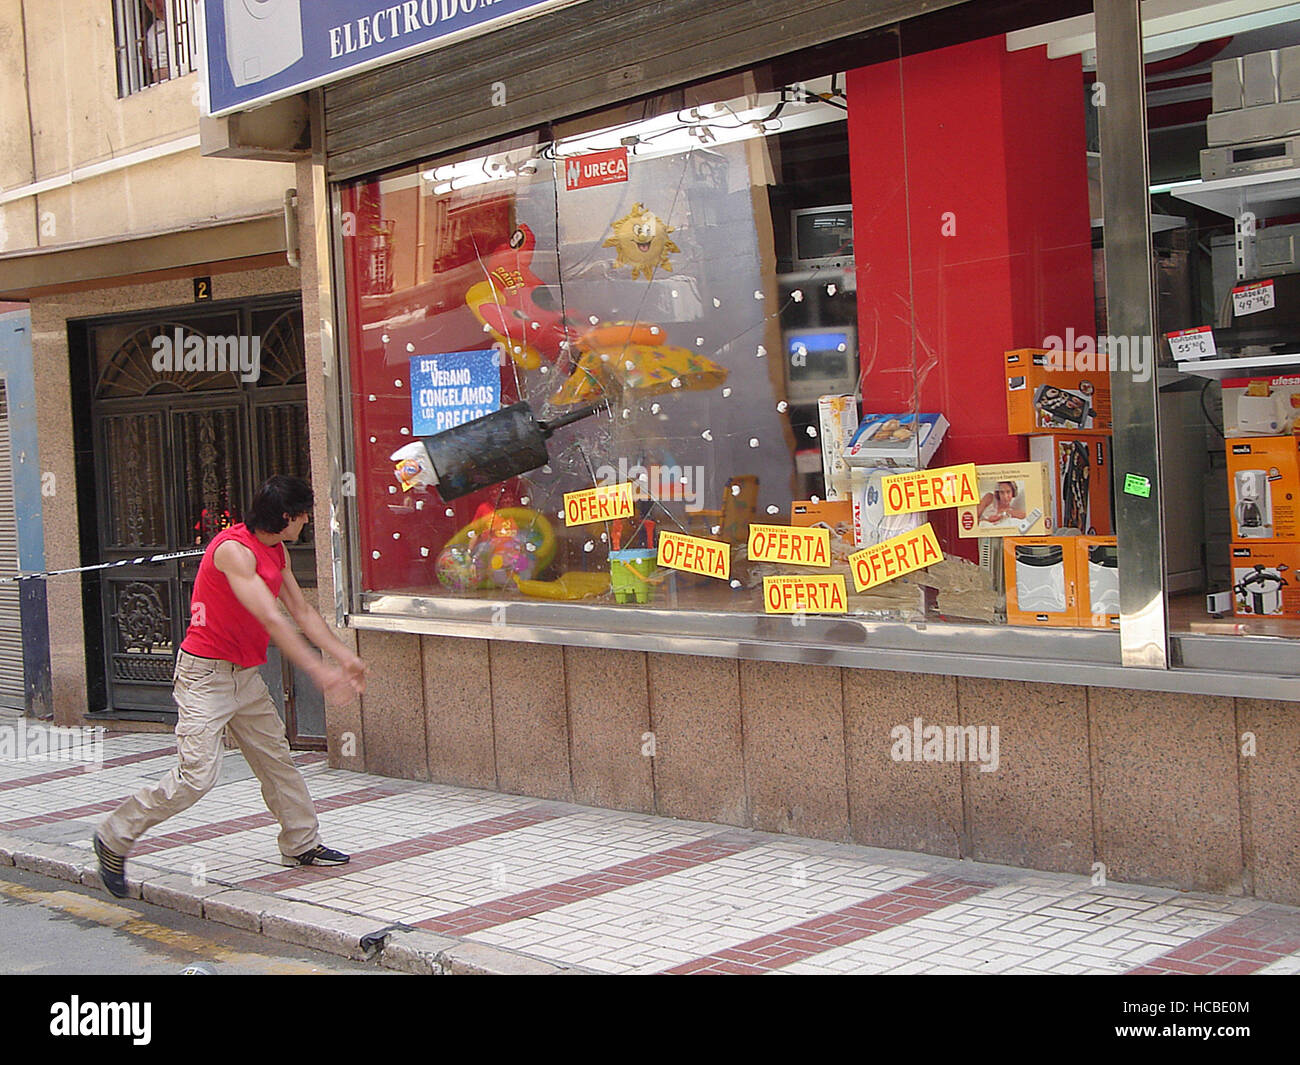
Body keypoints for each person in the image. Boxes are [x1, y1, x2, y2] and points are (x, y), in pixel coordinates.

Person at [94, 476, 367, 898]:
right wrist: (319, 671)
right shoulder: (232, 551)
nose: (307, 522)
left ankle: (301, 844)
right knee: (196, 777)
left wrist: (342, 655)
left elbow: (301, 610)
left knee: (276, 758)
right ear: (285, 517)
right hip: (206, 676)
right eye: (303, 516)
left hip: (245, 677)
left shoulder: (276, 550)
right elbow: (273, 619)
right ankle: (114, 835)